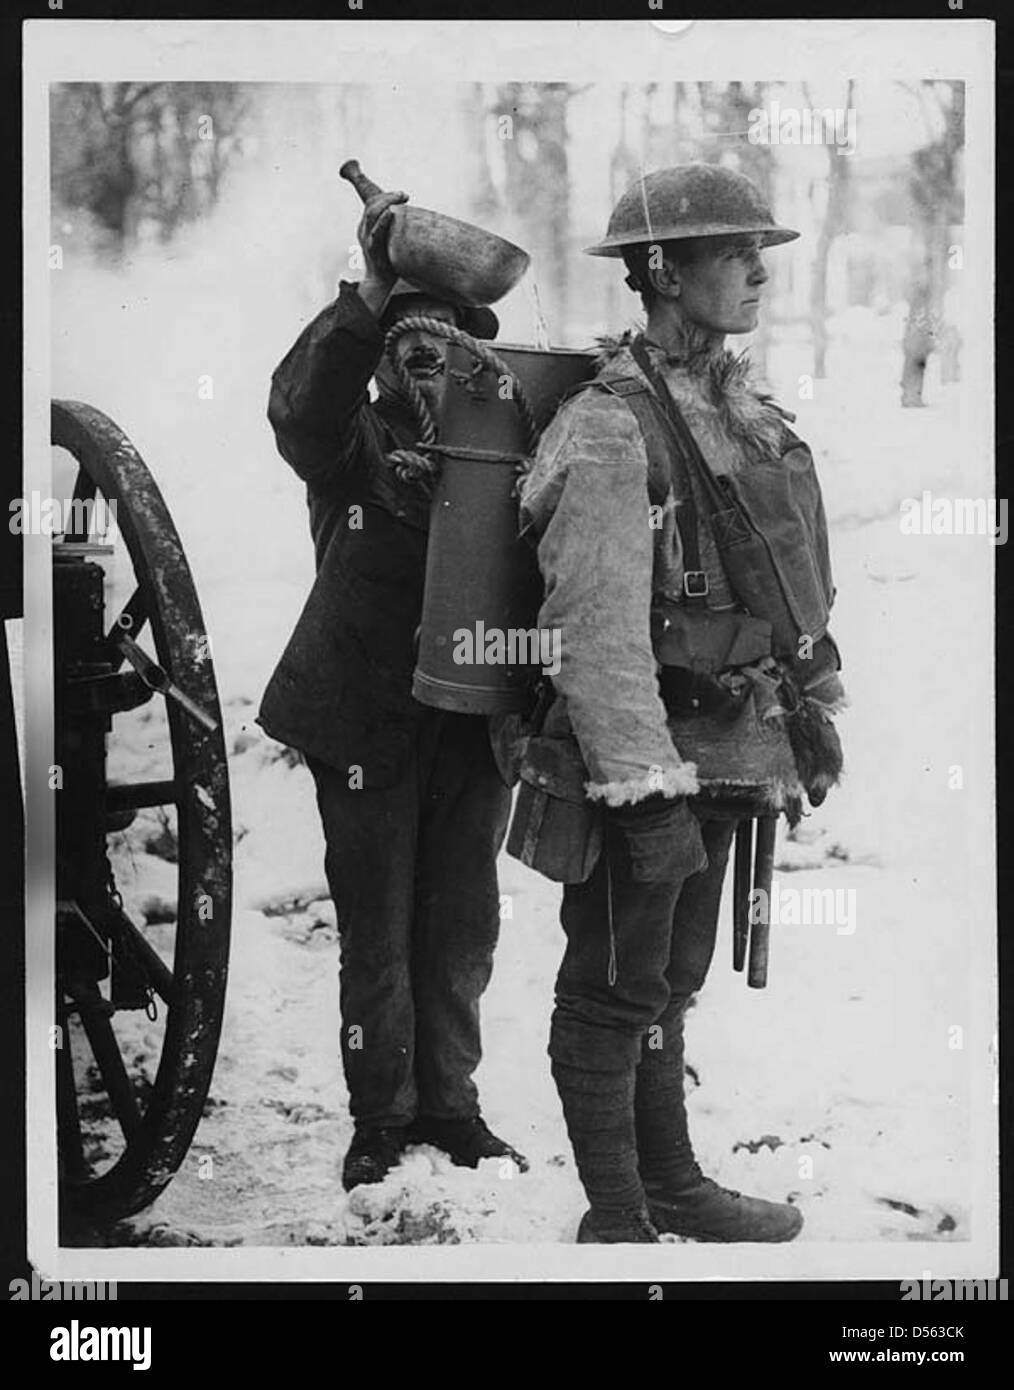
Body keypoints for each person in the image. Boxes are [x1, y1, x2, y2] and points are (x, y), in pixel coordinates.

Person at [515, 164, 845, 1243]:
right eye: (729, 252)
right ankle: (617, 1216)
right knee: (614, 987)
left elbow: (776, 581)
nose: (757, 271)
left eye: (760, 250)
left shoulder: (734, 411)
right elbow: (595, 632)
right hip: (640, 755)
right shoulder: (611, 429)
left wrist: (807, 705)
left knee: (671, 983)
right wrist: (644, 793)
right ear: (661, 272)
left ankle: (671, 1184)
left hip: (728, 744)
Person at [258, 185, 527, 1190]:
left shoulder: (505, 451)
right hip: (363, 713)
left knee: (462, 920)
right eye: (406, 343)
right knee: (377, 930)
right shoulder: (348, 445)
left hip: (469, 718)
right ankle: (382, 1118)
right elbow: (300, 403)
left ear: (476, 356)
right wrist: (370, 290)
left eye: (447, 344)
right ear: (381, 356)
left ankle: (452, 1108)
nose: (428, 359)